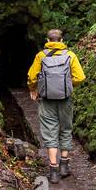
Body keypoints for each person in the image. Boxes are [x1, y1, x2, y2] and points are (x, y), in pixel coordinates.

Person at [26, 29, 85, 180]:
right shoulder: (70, 55)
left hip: (46, 100)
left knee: (49, 131)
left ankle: (53, 172)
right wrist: (66, 84)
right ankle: (64, 166)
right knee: (65, 129)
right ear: (62, 40)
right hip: (65, 99)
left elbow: (32, 76)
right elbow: (80, 77)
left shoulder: (41, 56)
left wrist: (33, 89)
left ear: (47, 40)